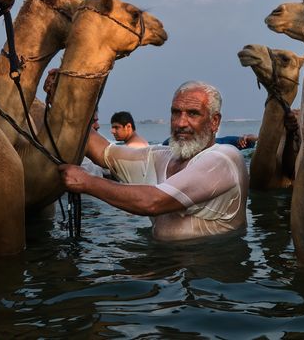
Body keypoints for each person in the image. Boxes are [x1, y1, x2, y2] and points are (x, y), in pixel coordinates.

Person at [59, 81, 248, 240]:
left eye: (193, 113)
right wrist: (63, 98)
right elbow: (103, 151)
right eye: (176, 112)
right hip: (163, 263)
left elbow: (152, 202)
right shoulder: (160, 156)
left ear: (214, 121)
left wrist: (87, 182)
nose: (181, 123)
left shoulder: (224, 159)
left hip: (211, 268)